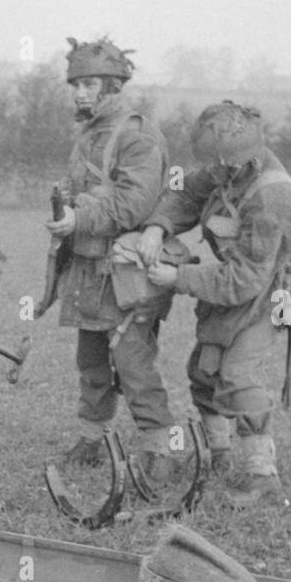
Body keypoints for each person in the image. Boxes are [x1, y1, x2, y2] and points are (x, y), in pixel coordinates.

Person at [138, 101, 291, 506]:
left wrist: (179, 278)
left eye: (219, 165)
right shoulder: (223, 168)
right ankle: (220, 454)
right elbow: (183, 194)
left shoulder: (272, 198)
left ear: (242, 158)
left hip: (268, 292)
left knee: (237, 375)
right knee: (203, 371)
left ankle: (262, 477)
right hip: (232, 281)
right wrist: (156, 228)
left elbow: (246, 280)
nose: (212, 171)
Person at [42, 37, 174, 485]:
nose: (80, 93)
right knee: (91, 361)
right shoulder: (89, 134)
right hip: (88, 270)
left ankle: (160, 451)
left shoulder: (136, 135)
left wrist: (80, 215)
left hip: (125, 275)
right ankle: (93, 438)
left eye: (90, 83)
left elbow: (133, 204)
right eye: (75, 84)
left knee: (135, 365)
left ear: (114, 85)